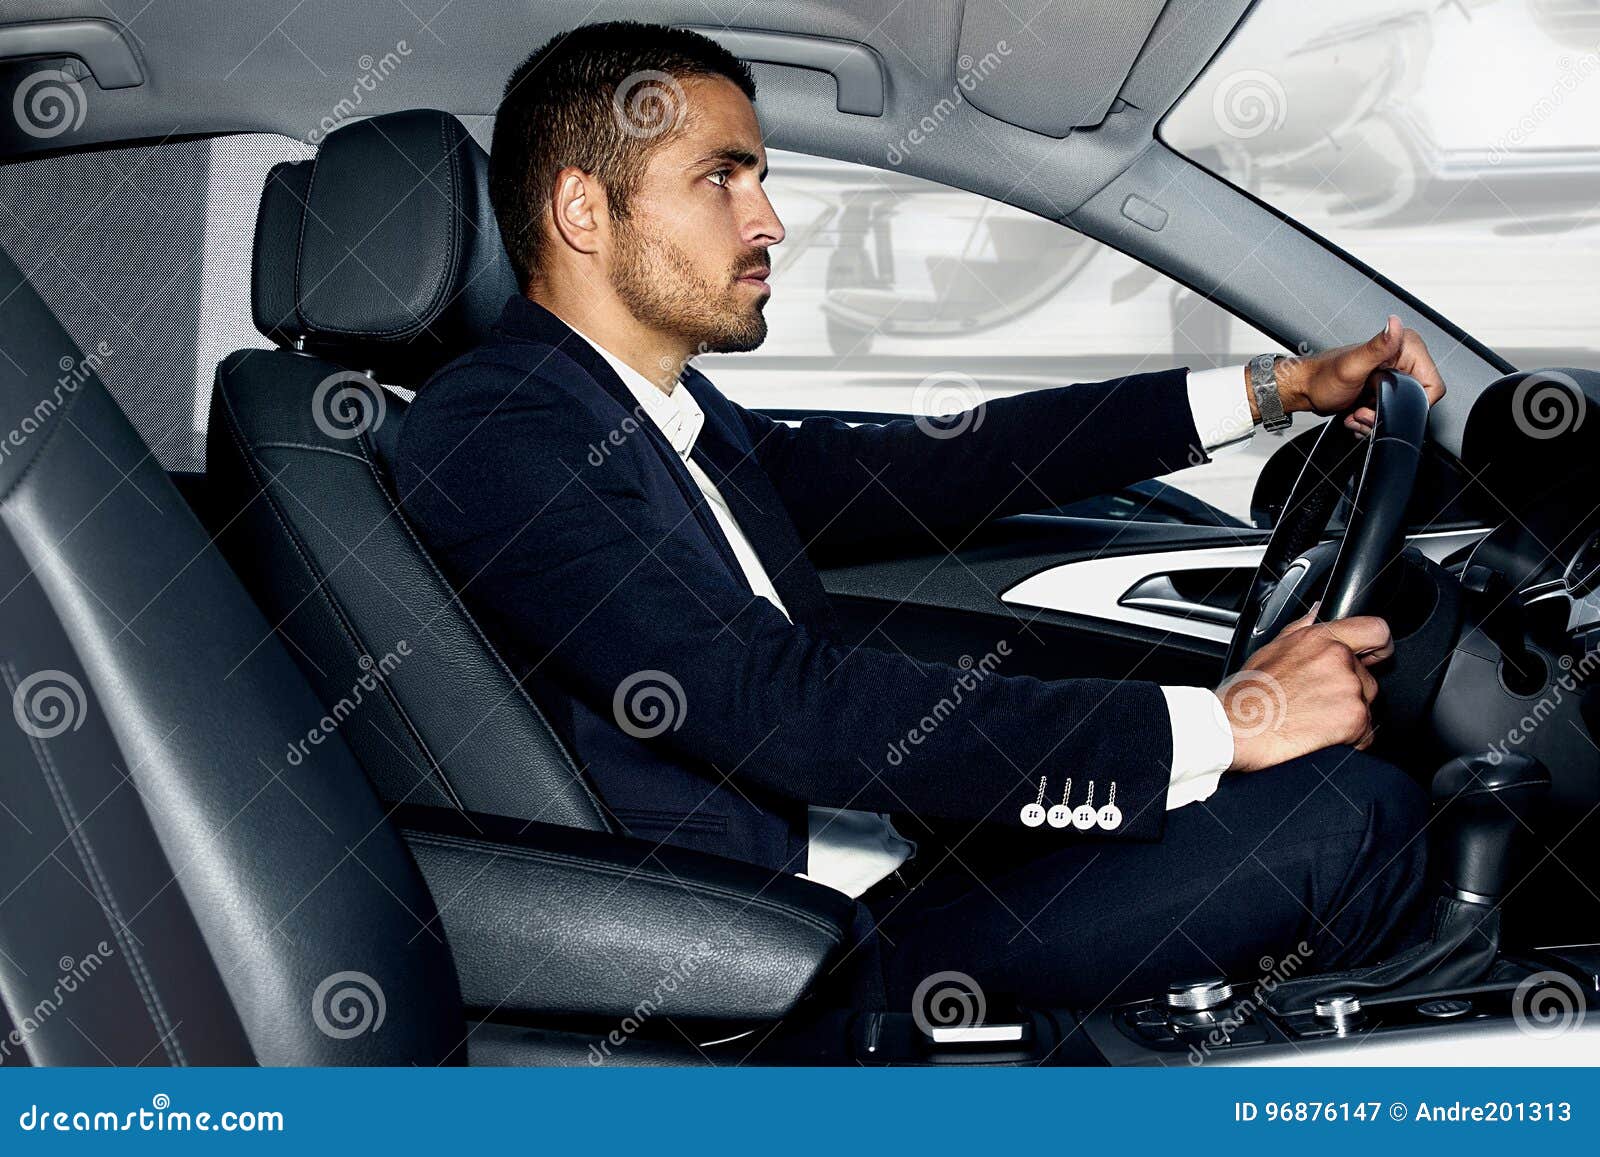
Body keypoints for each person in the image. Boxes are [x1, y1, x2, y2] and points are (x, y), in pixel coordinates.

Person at [394, 21, 1449, 1010]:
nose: (768, 220)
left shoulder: (657, 414)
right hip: (774, 963)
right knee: (1354, 821)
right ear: (583, 210)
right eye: (721, 177)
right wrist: (1230, 721)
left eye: (760, 177)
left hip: (862, 880)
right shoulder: (498, 426)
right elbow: (763, 701)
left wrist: (1277, 387)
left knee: (1322, 802)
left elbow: (946, 464)